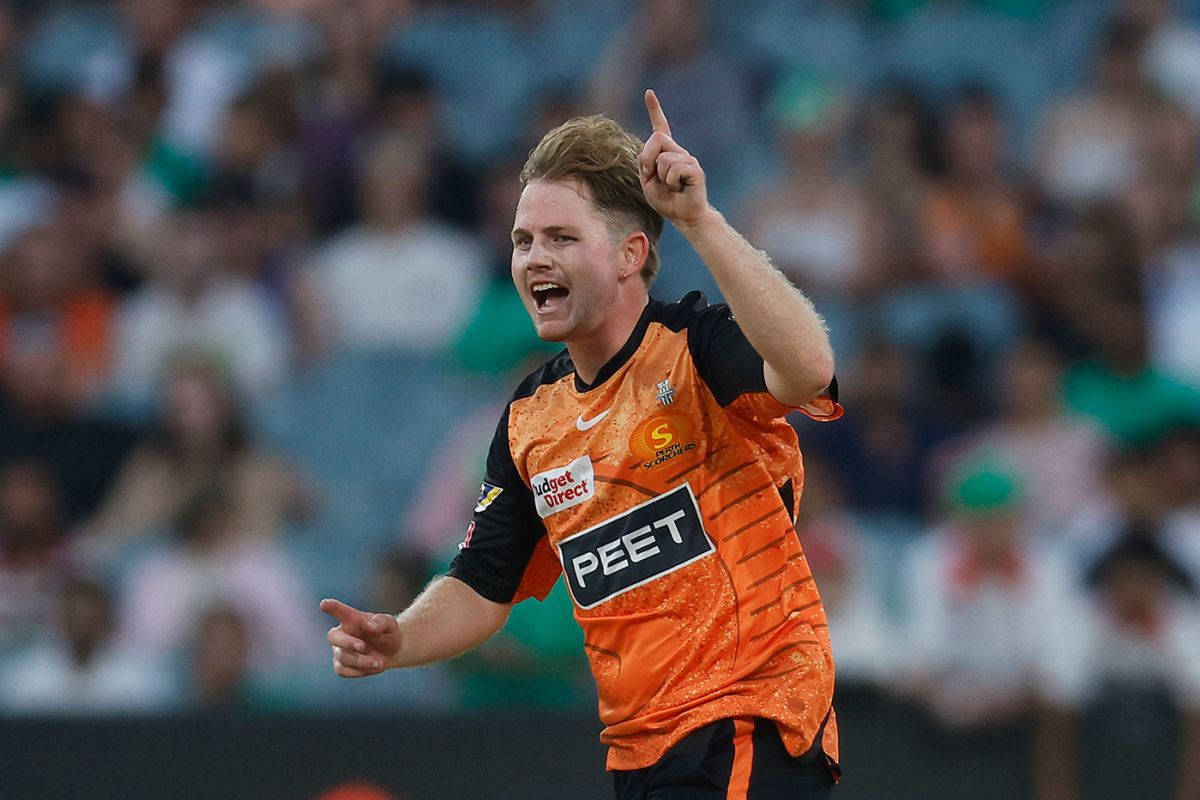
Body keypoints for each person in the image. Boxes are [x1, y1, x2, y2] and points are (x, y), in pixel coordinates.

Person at [322, 90, 843, 798]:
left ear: (631, 254)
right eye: (523, 241)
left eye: (561, 238)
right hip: (641, 757)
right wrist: (401, 639)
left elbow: (810, 368)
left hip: (749, 722)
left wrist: (698, 219)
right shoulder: (530, 419)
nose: (536, 258)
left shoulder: (697, 348)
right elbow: (482, 582)